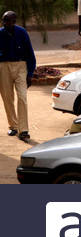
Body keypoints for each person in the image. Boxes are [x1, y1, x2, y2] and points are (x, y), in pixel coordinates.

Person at [0, 11, 36, 140]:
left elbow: (30, 54)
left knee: (22, 97)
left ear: (14, 21)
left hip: (21, 65)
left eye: (7, 21)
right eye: (3, 20)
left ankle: (24, 130)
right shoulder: (0, 33)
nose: (4, 23)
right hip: (3, 66)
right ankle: (13, 127)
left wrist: (30, 74)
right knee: (7, 98)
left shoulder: (22, 32)